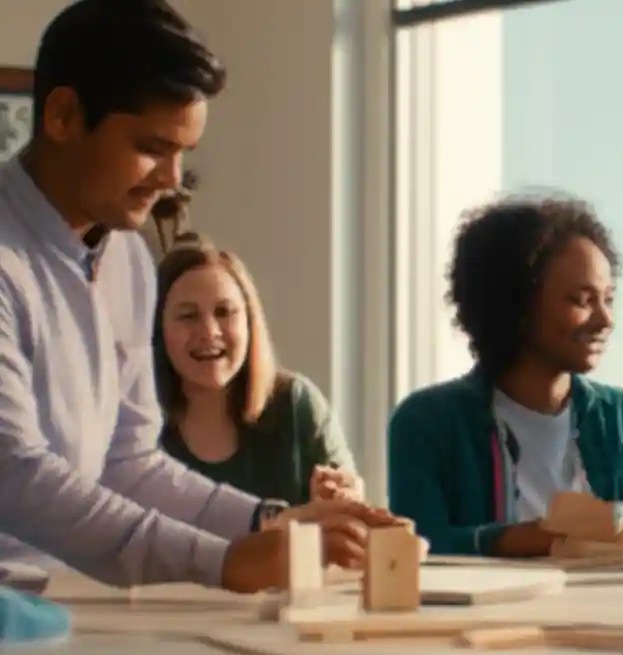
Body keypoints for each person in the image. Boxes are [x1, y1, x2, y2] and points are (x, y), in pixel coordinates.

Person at [0, 0, 397, 592]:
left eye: (183, 153)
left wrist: (270, 521)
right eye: (152, 147)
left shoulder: (128, 260)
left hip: (73, 609)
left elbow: (128, 463)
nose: (171, 179)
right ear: (61, 115)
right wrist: (227, 562)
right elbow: (13, 475)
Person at [388, 194, 623, 557]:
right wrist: (513, 540)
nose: (606, 320)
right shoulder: (428, 423)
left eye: (608, 299)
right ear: (516, 304)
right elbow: (412, 553)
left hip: (618, 613)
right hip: (493, 616)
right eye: (582, 300)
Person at [154, 239, 361, 505]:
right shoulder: (134, 421)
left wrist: (345, 500)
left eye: (224, 312)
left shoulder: (296, 404)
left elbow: (352, 518)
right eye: (188, 316)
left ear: (249, 323)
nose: (208, 332)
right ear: (157, 330)